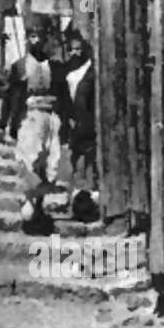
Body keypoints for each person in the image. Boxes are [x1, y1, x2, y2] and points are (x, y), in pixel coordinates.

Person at [0, 26, 64, 234]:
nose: (36, 41)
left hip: (51, 118)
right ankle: (29, 205)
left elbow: (64, 95)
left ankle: (40, 206)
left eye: (40, 37)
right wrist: (4, 123)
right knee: (29, 162)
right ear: (27, 39)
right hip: (29, 118)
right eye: (33, 36)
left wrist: (68, 119)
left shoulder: (55, 66)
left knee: (49, 163)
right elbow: (10, 97)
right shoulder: (19, 66)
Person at [62, 30, 99, 222]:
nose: (75, 53)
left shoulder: (89, 71)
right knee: (75, 160)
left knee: (87, 160)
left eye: (78, 49)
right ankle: (77, 198)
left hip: (88, 120)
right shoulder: (67, 70)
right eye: (72, 50)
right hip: (73, 120)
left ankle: (87, 200)